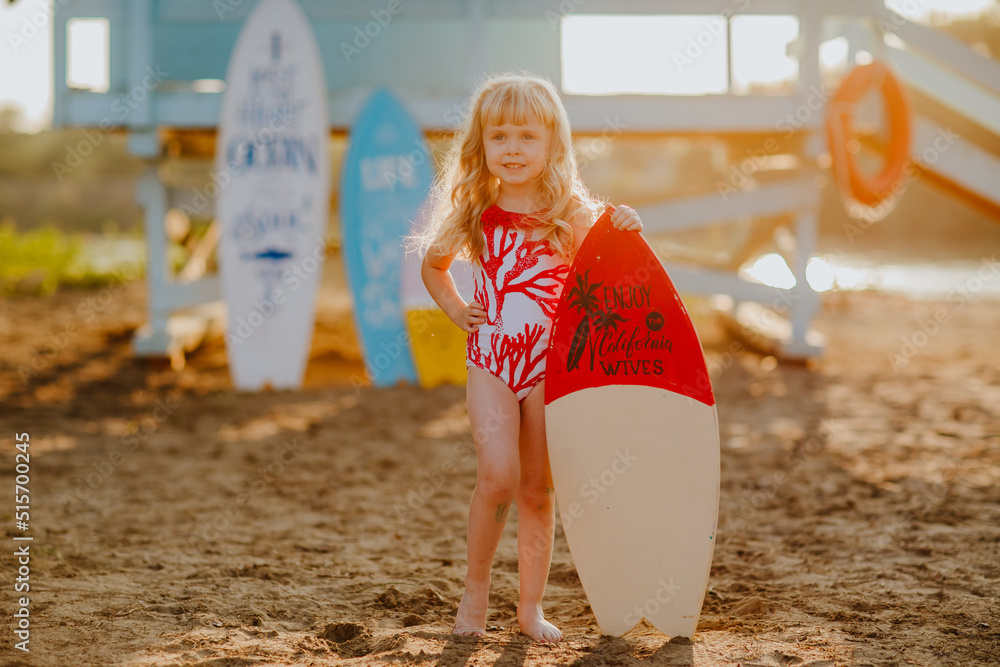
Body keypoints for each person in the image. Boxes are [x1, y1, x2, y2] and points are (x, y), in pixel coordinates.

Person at [415, 72, 642, 643]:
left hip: (549, 367)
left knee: (538, 488)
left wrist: (630, 226)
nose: (512, 149)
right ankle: (474, 592)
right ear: (482, 145)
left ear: (551, 145)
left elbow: (614, 258)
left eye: (526, 137)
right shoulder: (476, 209)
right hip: (492, 359)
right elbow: (433, 265)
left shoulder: (570, 210)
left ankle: (530, 608)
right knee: (497, 475)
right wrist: (455, 308)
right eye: (500, 137)